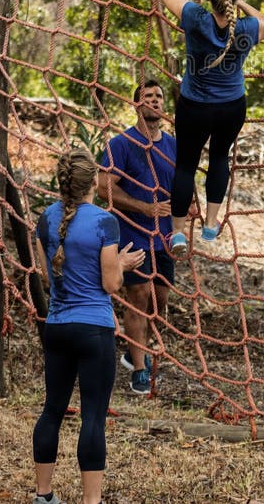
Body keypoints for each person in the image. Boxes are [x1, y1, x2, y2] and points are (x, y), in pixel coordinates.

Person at [32, 147, 144, 504]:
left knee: (52, 409)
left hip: (57, 327)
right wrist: (122, 264)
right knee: (92, 417)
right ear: (93, 182)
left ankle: (43, 496)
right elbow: (111, 285)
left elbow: (50, 279)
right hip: (93, 329)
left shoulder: (45, 220)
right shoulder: (103, 221)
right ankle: (91, 502)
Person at [159, 0, 264, 254]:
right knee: (220, 157)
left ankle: (179, 234)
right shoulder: (248, 29)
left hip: (194, 107)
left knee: (185, 165)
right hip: (231, 108)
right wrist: (242, 3)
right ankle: (210, 225)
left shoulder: (195, 18)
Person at [98, 80, 176, 395]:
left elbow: (181, 186)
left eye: (159, 96)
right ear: (136, 105)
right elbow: (104, 186)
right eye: (148, 97)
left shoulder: (173, 145)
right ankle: (140, 372)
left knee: (160, 301)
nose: (155, 101)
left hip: (166, 237)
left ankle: (133, 351)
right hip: (132, 234)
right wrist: (145, 207)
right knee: (140, 297)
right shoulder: (122, 143)